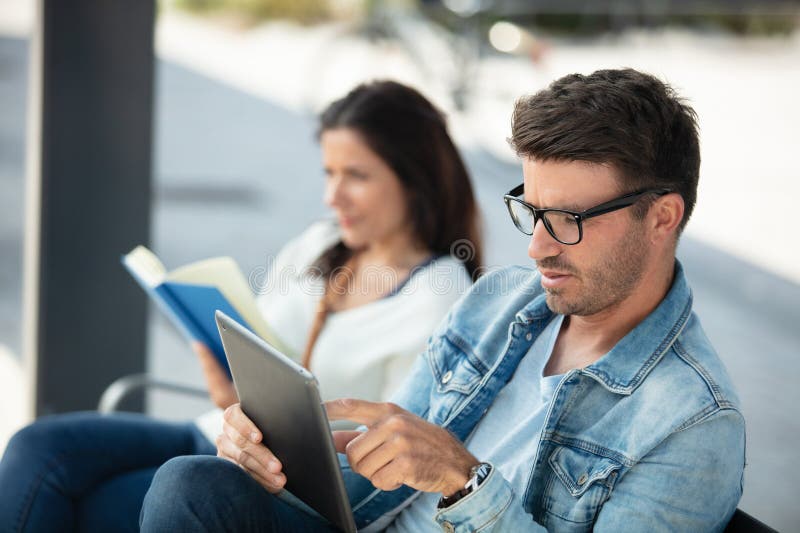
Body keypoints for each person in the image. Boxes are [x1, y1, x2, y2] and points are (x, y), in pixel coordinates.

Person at [139, 68, 746, 532]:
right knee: (193, 483)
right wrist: (271, 447)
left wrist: (464, 480)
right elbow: (379, 457)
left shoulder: (692, 422)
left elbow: (443, 467)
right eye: (532, 211)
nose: (536, 248)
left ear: (662, 217)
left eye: (565, 218)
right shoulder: (502, 303)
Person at [0, 80, 482, 533]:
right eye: (329, 172)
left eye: (356, 175)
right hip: (219, 435)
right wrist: (227, 389)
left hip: (280, 483)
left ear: (414, 179)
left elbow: (397, 454)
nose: (332, 196)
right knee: (37, 448)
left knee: (91, 502)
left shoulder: (438, 296)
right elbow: (259, 348)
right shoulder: (321, 243)